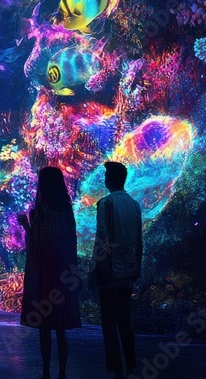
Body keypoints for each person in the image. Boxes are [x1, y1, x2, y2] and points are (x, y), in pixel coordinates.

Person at [17, 167, 81, 379]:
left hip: (45, 271)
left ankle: (45, 371)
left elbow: (37, 242)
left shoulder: (41, 211)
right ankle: (62, 371)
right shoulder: (66, 210)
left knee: (45, 324)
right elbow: (71, 241)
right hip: (62, 271)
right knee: (60, 325)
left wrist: (25, 224)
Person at [92, 161, 142, 379]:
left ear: (111, 179)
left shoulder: (106, 203)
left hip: (111, 268)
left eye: (106, 175)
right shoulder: (134, 204)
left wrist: (95, 267)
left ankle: (117, 370)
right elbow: (139, 240)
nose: (105, 179)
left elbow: (102, 238)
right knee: (125, 320)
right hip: (129, 267)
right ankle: (132, 366)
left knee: (109, 321)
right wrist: (138, 265)